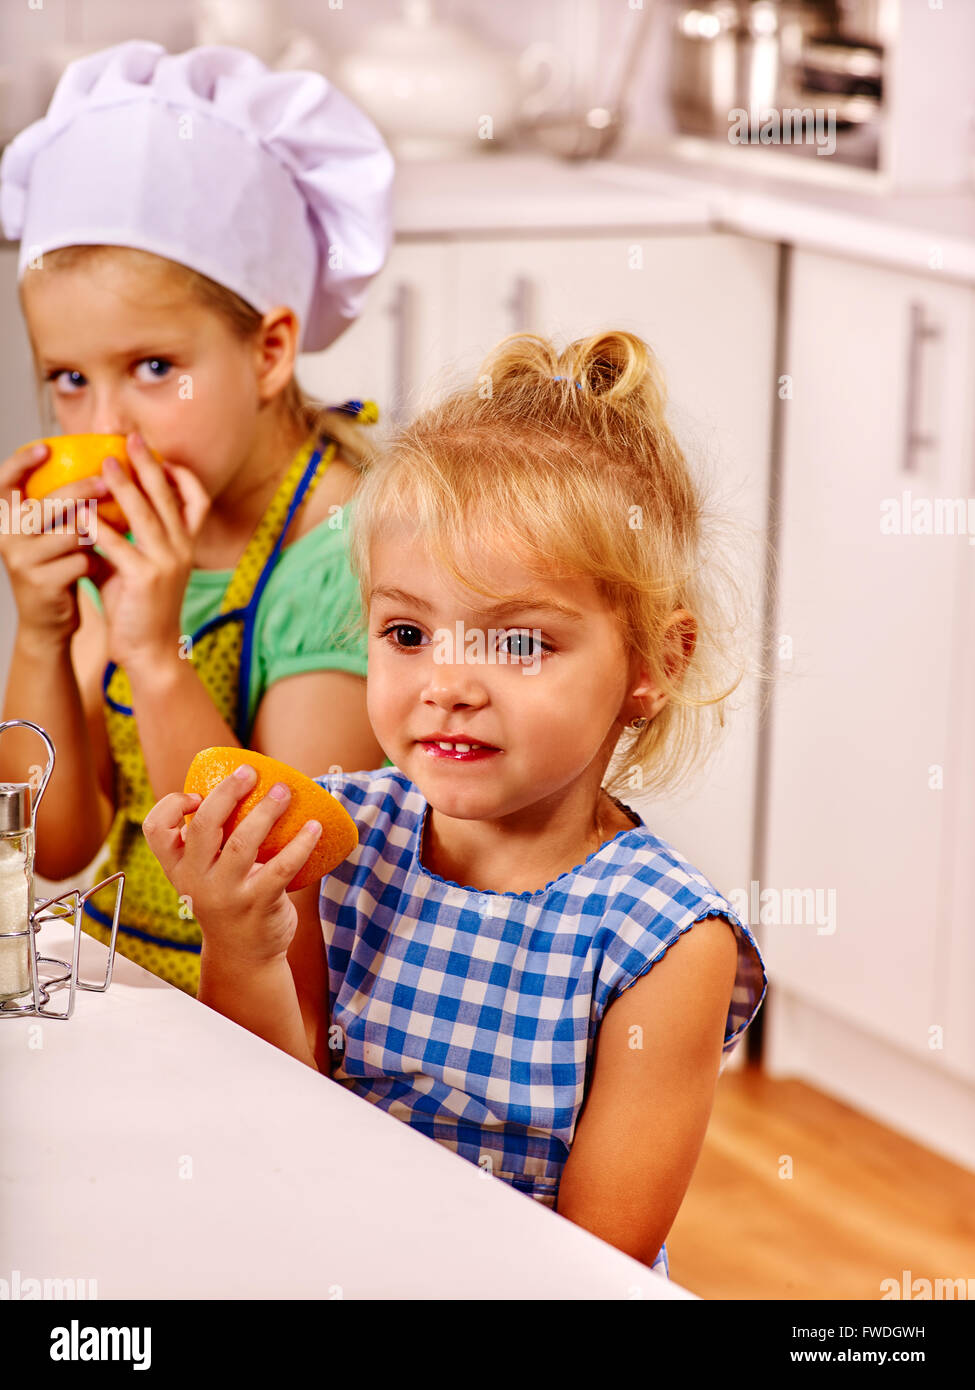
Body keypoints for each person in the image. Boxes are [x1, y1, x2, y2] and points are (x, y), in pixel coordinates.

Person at [143, 329, 769, 1279]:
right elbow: (271, 1105)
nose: (447, 685)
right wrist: (241, 938)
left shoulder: (666, 944)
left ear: (653, 665)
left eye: (518, 643)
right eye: (406, 632)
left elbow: (596, 1261)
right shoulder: (335, 838)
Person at [0, 40, 395, 994]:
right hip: (129, 982)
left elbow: (280, 877)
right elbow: (52, 847)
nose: (105, 427)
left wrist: (155, 655)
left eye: (153, 369)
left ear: (268, 351)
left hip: (277, 1017)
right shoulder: (128, 540)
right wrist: (44, 634)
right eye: (69, 379)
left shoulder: (345, 552)